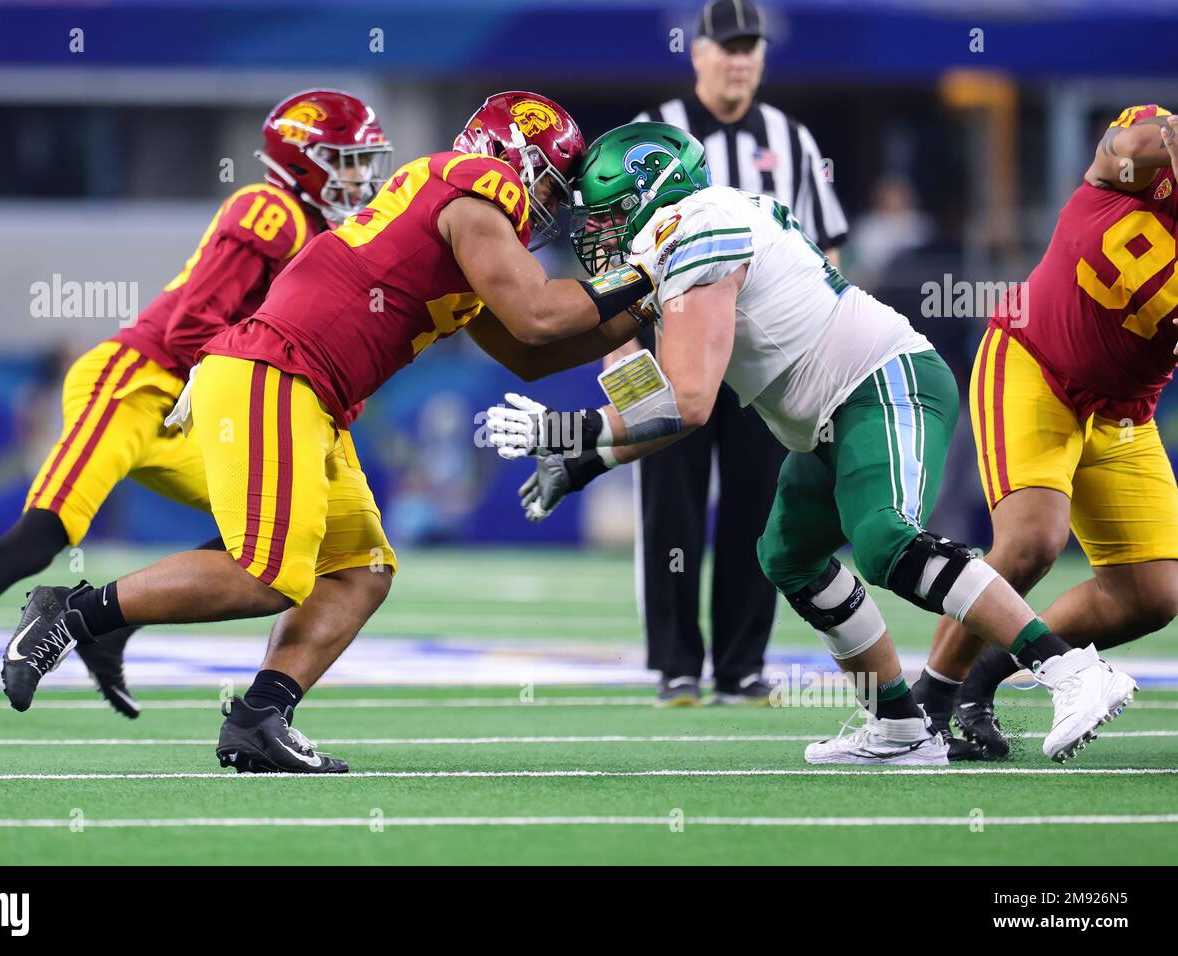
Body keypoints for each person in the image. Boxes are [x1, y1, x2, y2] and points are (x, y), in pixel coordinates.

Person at [0, 92, 654, 774]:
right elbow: (542, 316)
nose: (552, 197)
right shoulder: (473, 186)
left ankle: (260, 718)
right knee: (269, 575)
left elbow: (531, 351)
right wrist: (649, 270)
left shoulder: (468, 221)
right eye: (548, 176)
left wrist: (642, 307)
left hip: (307, 390)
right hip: (276, 371)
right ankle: (73, 613)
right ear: (509, 158)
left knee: (358, 573)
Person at [482, 122, 1137, 765]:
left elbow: (684, 403)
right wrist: (583, 457)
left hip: (881, 380)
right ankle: (898, 727)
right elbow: (635, 380)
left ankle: (1071, 669)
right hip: (829, 416)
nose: (597, 233)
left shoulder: (696, 227)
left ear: (657, 195)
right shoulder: (685, 235)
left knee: (883, 541)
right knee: (790, 556)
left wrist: (563, 429)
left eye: (610, 213)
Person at [0, 89, 390, 750]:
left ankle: (112, 622)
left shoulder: (324, 235)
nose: (362, 178)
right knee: (42, 536)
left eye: (366, 161)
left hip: (203, 401)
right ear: (304, 161)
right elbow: (190, 324)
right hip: (139, 382)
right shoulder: (270, 210)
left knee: (287, 532)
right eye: (347, 162)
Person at [912, 104, 1178, 758]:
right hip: (1035, 364)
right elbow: (1115, 146)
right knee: (1032, 541)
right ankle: (924, 708)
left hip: (1121, 414)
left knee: (1151, 593)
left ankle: (984, 674)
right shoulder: (1151, 152)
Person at [611, 0, 848, 706]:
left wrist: (826, 349)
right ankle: (676, 663)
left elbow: (823, 249)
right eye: (728, 45)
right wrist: (621, 355)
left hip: (764, 360)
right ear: (698, 52)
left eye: (751, 47)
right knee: (670, 509)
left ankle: (742, 663)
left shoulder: (792, 140)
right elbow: (615, 254)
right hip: (671, 351)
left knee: (761, 506)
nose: (740, 58)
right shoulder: (654, 135)